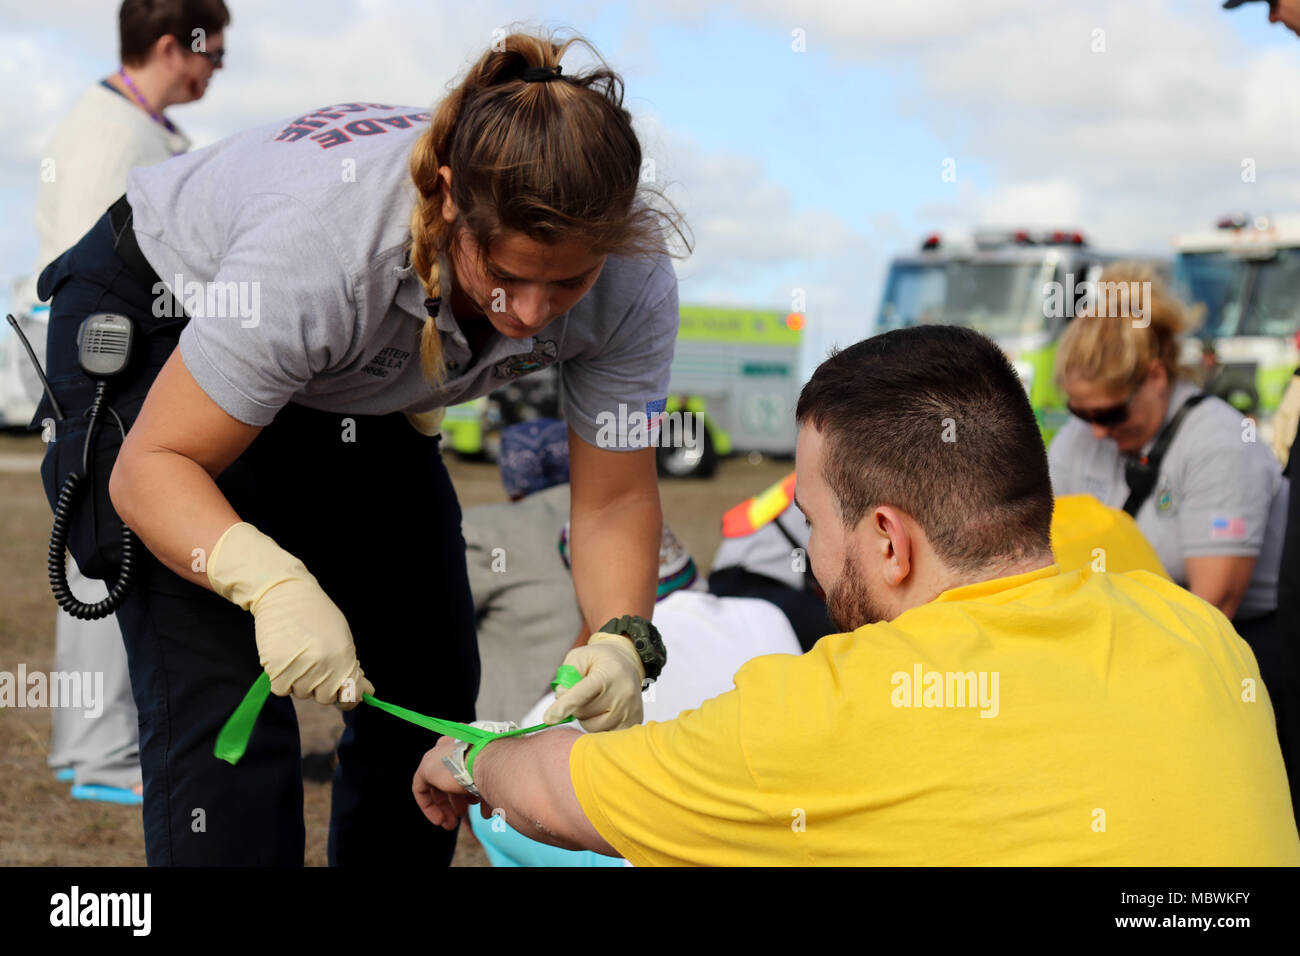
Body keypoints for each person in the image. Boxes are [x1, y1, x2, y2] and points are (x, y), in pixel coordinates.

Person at [30, 29, 689, 866]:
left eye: (568, 281)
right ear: (450, 200)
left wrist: (621, 637)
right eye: (506, 275)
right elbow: (154, 468)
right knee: (227, 703)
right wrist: (269, 584)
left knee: (427, 683)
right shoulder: (324, 248)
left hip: (339, 377)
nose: (529, 313)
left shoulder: (633, 280)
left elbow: (616, 496)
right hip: (168, 315)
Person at [412, 324, 1300, 865]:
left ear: (886, 539)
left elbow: (553, 794)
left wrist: (467, 756)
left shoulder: (835, 711)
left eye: (811, 518)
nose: (810, 546)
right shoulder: (1199, 633)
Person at [16, 0, 229, 806]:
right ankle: (105, 754)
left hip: (121, 371)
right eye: (214, 55)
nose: (215, 72)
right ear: (174, 46)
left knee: (101, 551)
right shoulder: (111, 132)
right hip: (105, 374)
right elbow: (90, 273)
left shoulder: (142, 129)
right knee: (113, 550)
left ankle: (93, 744)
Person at [1047, 263, 1297, 824]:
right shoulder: (1075, 444)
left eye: (1109, 413)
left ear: (1157, 377)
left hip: (1239, 645)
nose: (1095, 432)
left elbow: (1216, 609)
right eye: (1080, 412)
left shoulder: (1218, 444)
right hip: (1123, 641)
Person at [469, 522, 800, 866]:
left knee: (491, 804)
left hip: (661, 847)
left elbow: (531, 746)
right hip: (770, 834)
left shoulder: (611, 667)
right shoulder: (766, 615)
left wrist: (590, 633)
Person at [707, 471, 834, 652]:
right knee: (839, 639)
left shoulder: (801, 480)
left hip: (721, 582)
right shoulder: (825, 486)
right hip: (762, 588)